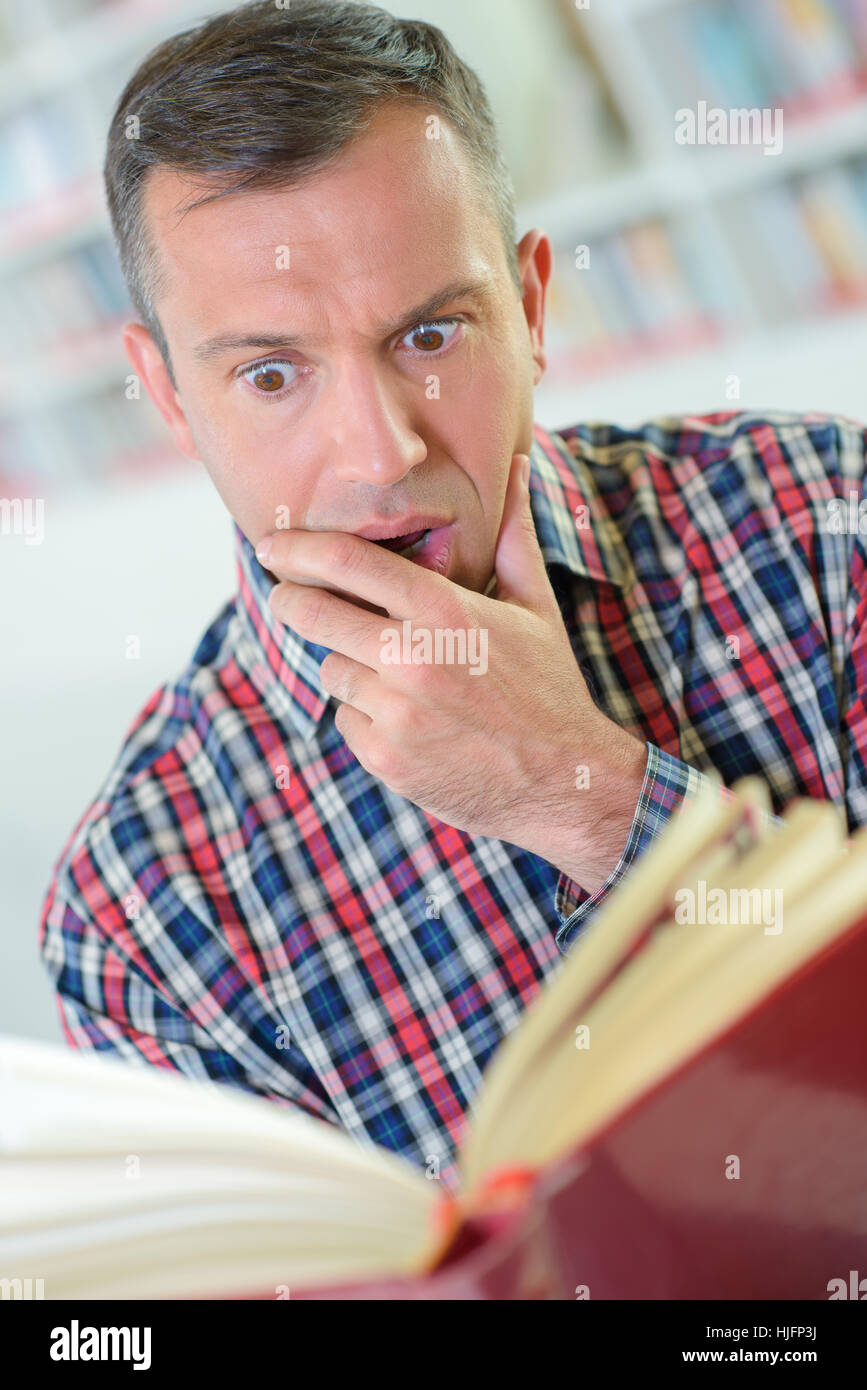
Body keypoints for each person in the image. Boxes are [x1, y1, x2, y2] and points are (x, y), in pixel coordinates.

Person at [40, 0, 867, 1190]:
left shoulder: (824, 522)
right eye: (271, 373)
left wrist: (585, 797)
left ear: (530, 310)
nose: (380, 452)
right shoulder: (142, 913)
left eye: (430, 334)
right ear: (168, 397)